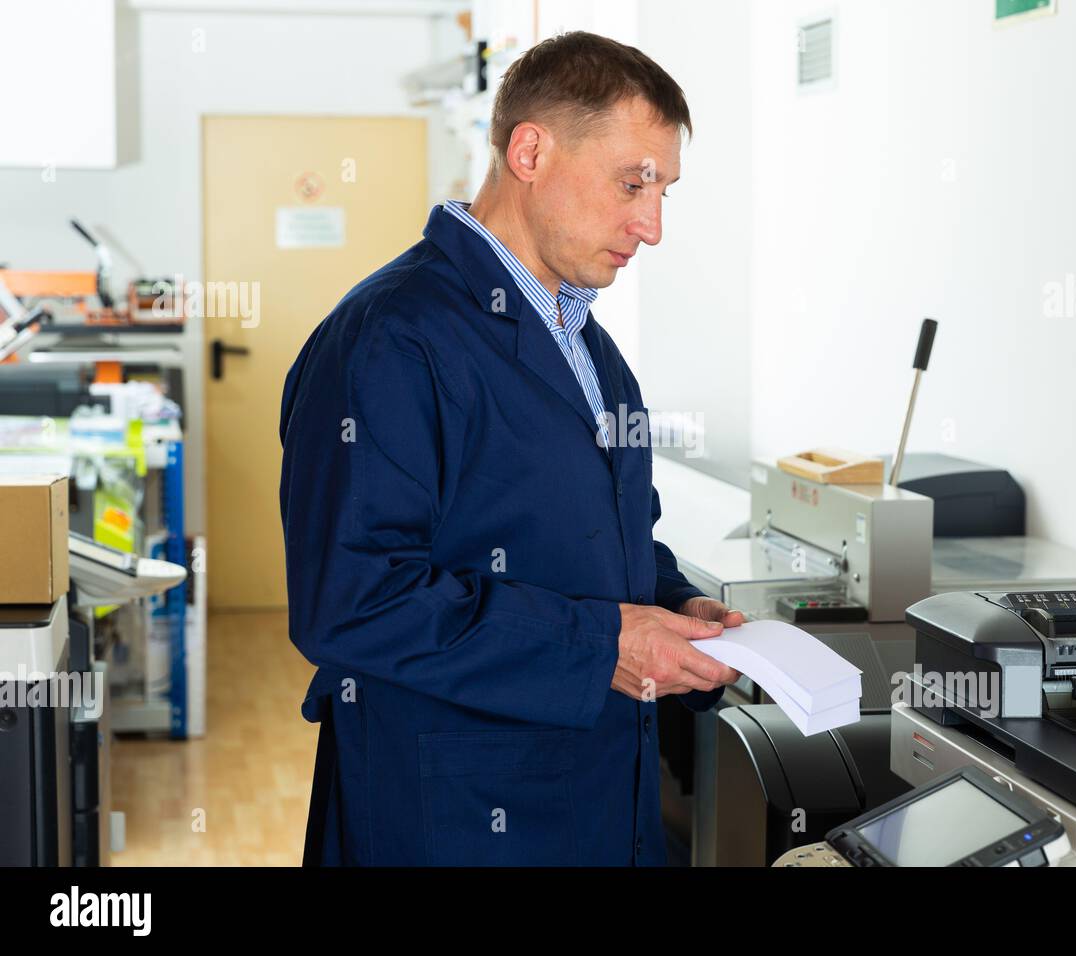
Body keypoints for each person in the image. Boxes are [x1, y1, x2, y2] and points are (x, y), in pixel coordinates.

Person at [279, 30, 742, 866]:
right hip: (452, 811)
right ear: (530, 150)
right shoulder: (390, 339)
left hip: (598, 797)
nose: (652, 224)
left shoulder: (591, 351)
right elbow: (350, 600)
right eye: (633, 183)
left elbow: (597, 540)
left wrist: (674, 608)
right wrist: (603, 644)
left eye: (665, 191)